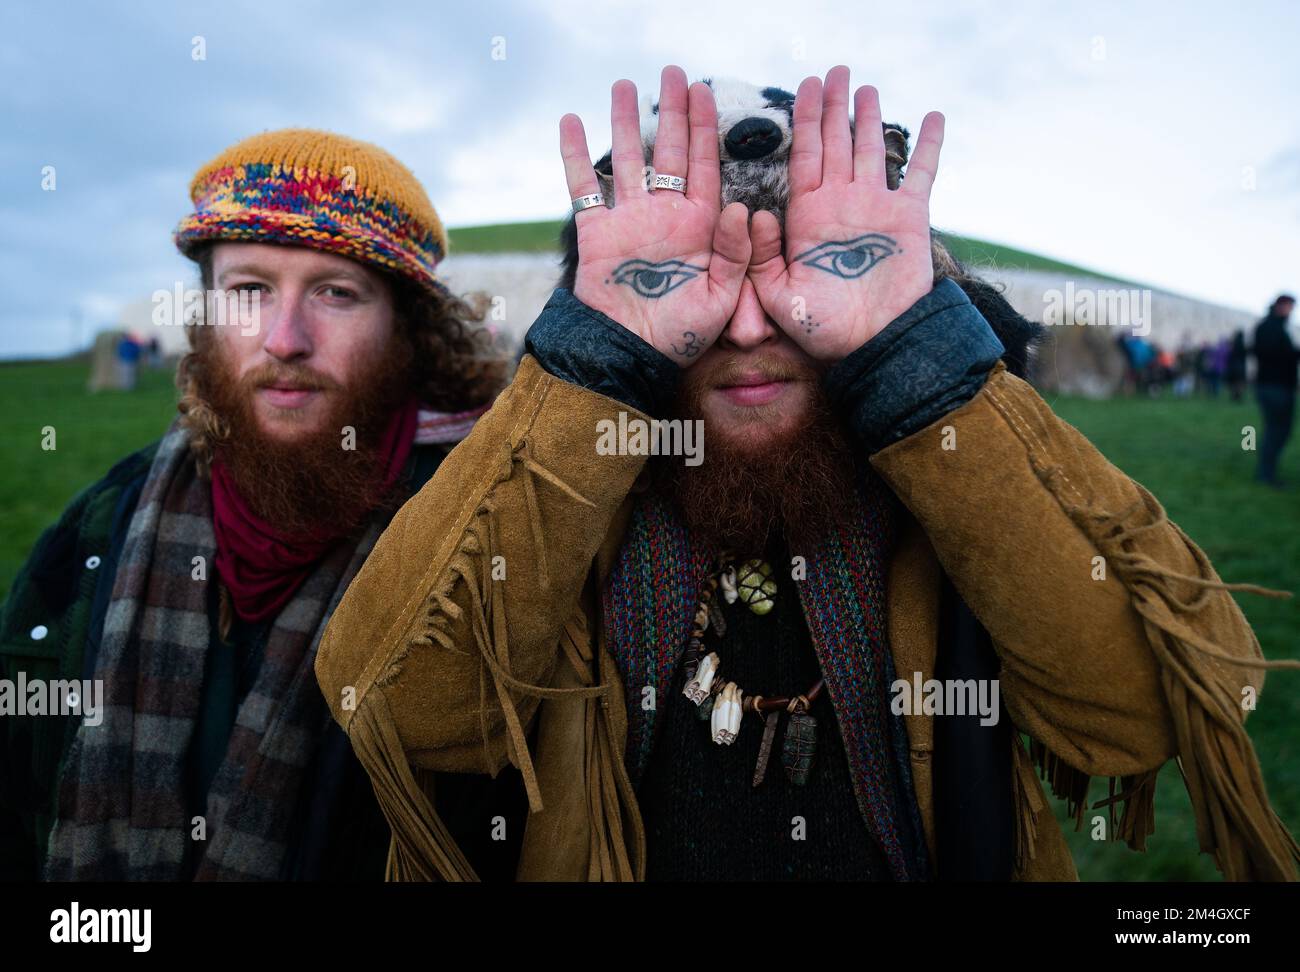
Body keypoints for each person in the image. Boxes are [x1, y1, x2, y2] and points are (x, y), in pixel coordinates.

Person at [317, 66, 1298, 882]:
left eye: (793, 271)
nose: (748, 330)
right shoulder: (571, 488)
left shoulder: (945, 481)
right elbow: (404, 712)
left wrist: (921, 363)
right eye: (695, 278)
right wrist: (590, 359)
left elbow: (1133, 714)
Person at [0, 128, 505, 880]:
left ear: (409, 324)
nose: (285, 338)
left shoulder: (484, 536)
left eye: (336, 292)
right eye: (249, 291)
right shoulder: (100, 526)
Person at [1252, 294, 1298, 486]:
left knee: (1278, 430)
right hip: (1274, 386)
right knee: (1277, 430)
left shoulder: (1274, 326)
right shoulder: (1270, 327)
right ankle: (1266, 474)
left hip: (1276, 385)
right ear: (1281, 305)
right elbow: (1273, 354)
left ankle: (1267, 471)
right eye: (1289, 306)